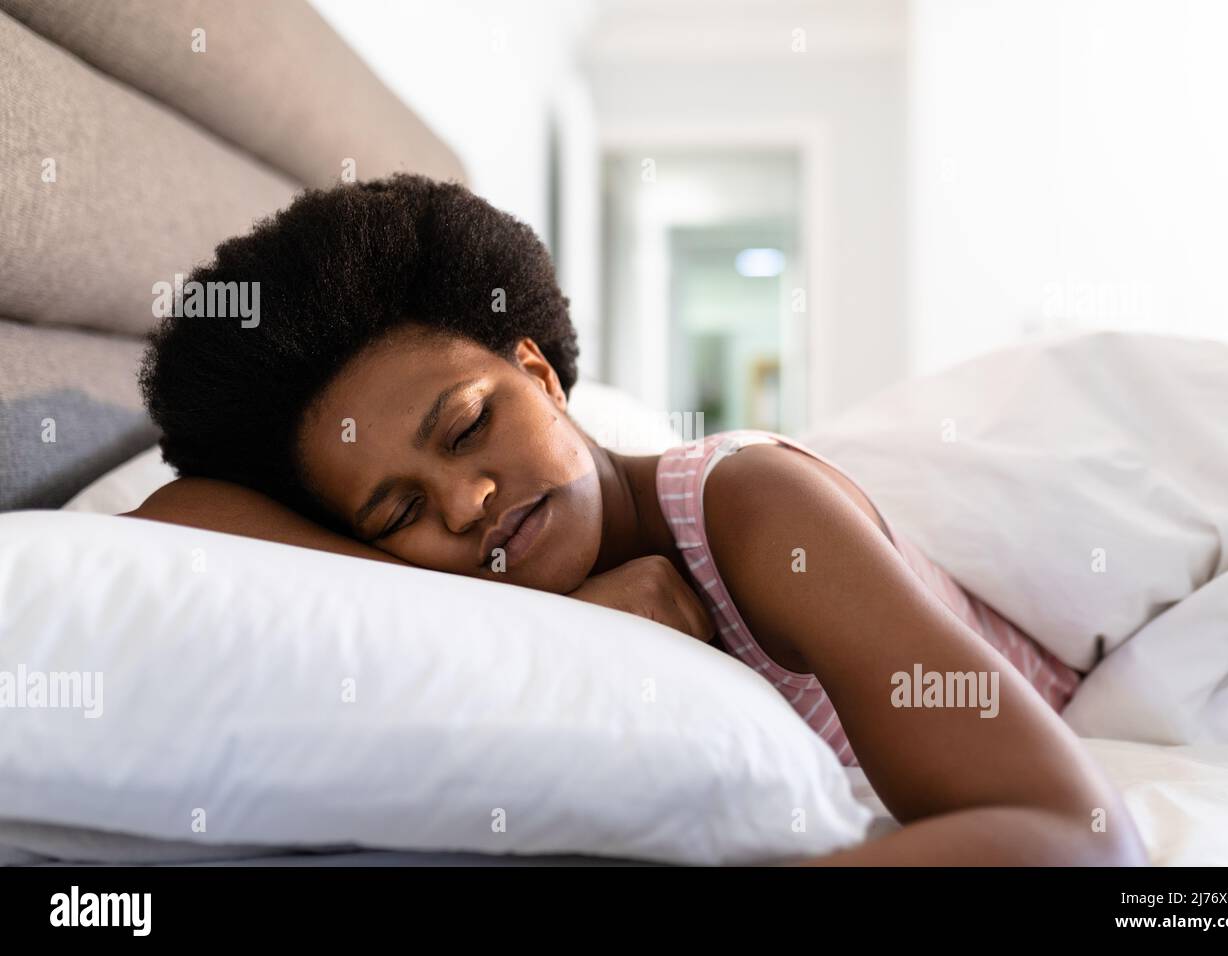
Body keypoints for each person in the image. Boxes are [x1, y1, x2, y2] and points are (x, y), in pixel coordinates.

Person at [126, 174, 1147, 866]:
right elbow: (175, 517)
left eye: (468, 426)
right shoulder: (470, 581)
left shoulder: (750, 510)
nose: (466, 502)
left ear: (538, 372)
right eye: (395, 509)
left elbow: (1076, 835)